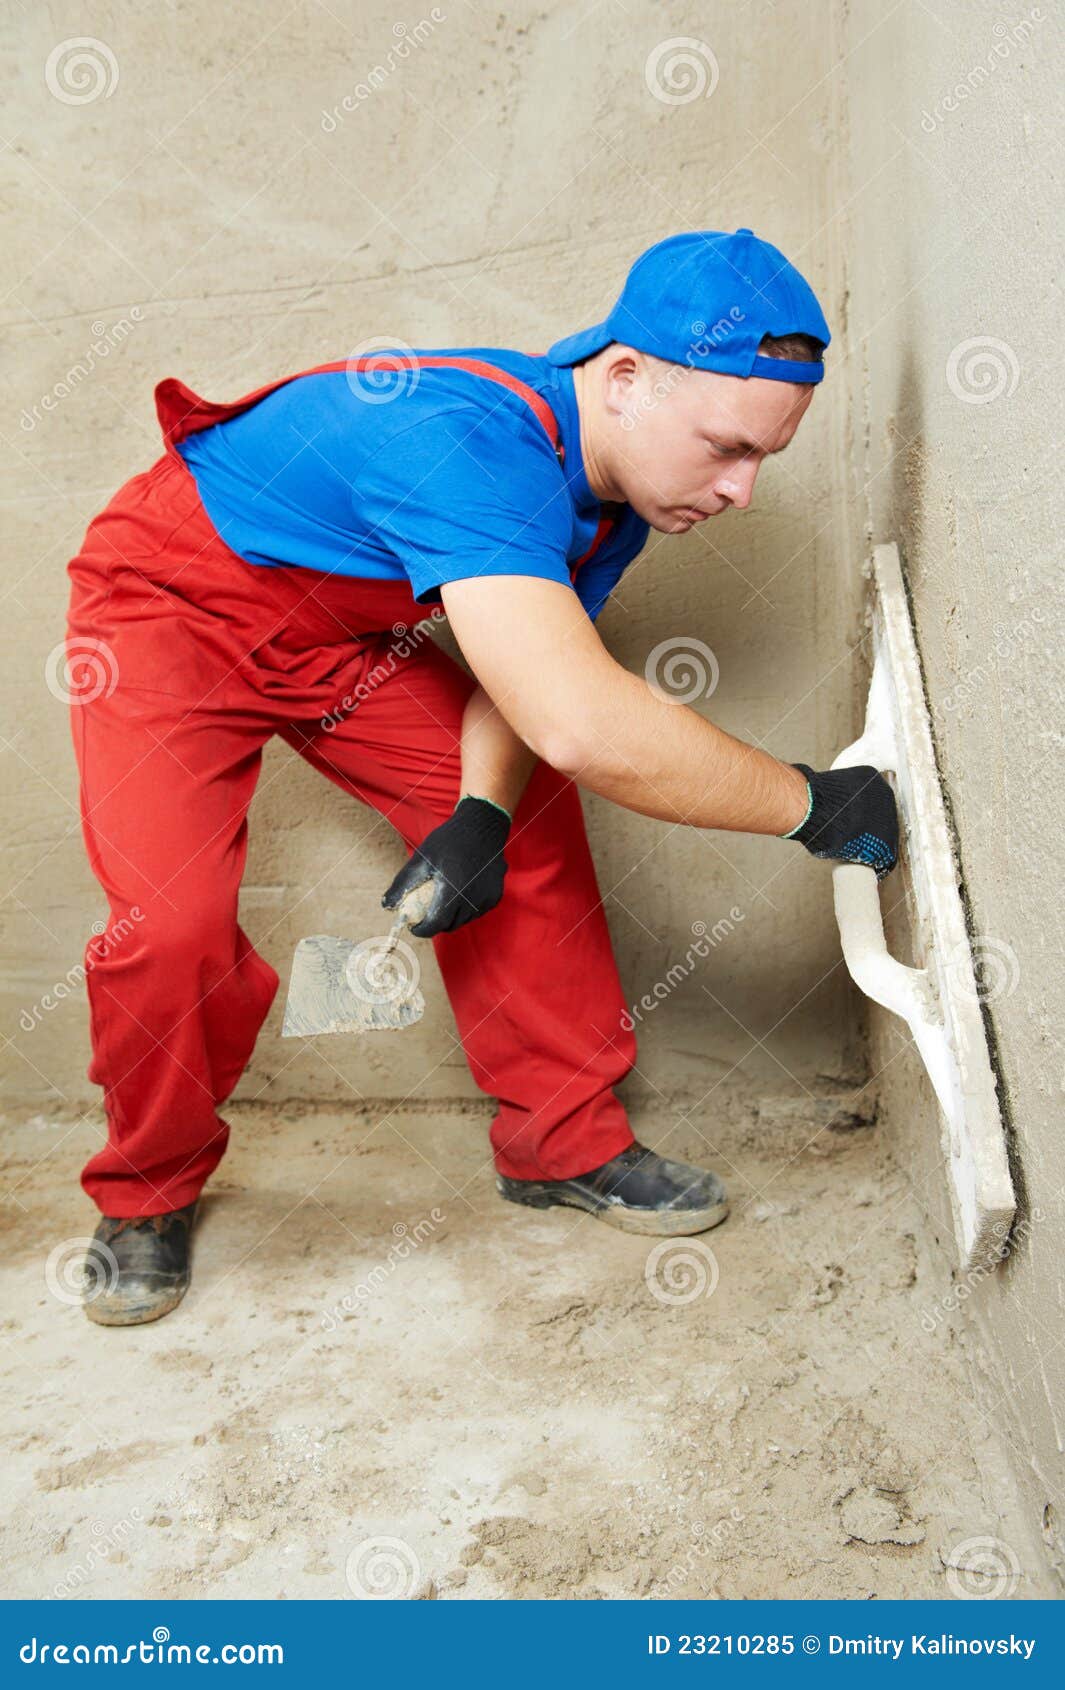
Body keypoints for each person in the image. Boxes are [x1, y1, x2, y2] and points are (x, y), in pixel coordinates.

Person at [65, 228, 897, 1326]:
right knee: (169, 930)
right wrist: (813, 806)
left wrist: (477, 810)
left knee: (529, 815)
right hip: (167, 612)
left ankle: (562, 1142)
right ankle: (144, 1192)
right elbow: (584, 722)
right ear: (627, 375)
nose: (739, 491)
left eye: (762, 460)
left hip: (336, 642)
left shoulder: (611, 494)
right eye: (725, 447)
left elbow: (527, 683)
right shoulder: (463, 442)